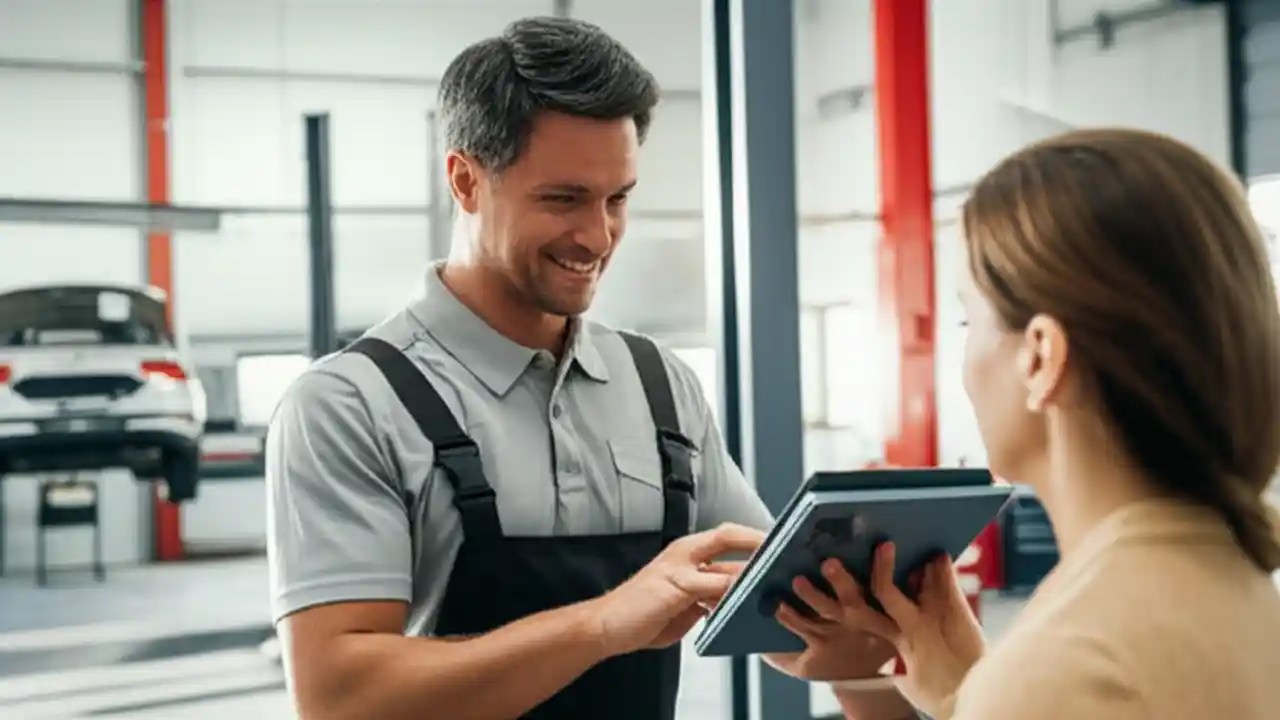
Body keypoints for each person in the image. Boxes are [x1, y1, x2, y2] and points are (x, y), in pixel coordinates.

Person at [265, 16, 888, 720]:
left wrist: (854, 629)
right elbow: (340, 698)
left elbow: (781, 621)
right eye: (562, 199)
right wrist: (602, 625)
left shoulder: (662, 388)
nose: (597, 236)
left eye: (617, 198)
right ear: (466, 180)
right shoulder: (347, 406)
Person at [774, 128, 1280, 720]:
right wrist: (961, 692)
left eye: (968, 321)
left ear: (1040, 357)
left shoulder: (1064, 667)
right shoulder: (1237, 590)